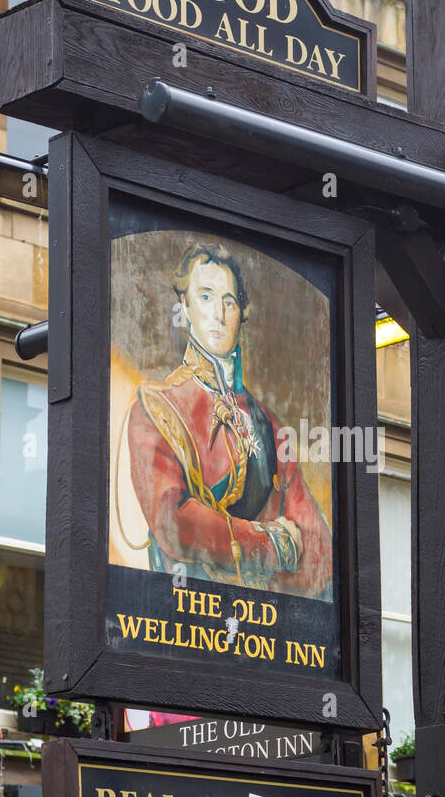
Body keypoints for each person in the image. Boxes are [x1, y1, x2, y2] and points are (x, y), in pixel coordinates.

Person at [127, 239, 332, 599]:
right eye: (205, 297)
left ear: (241, 313)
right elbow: (172, 523)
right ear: (185, 308)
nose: (219, 314)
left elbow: (319, 551)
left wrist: (262, 599)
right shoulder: (157, 407)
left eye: (229, 301)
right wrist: (273, 545)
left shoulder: (270, 424)